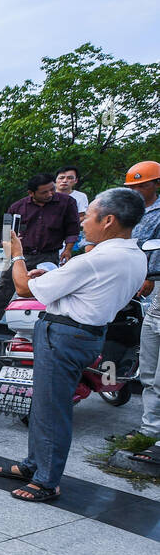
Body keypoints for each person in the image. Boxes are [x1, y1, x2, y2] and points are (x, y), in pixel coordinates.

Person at [0, 189, 147, 502]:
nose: (82, 221)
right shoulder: (135, 255)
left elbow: (22, 288)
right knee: (47, 405)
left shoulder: (96, 259)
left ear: (109, 220)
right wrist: (53, 275)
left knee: (51, 409)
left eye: (88, 216)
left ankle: (46, 481)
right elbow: (94, 291)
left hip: (64, 335)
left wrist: (16, 254)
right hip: (87, 333)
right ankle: (35, 464)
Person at [0, 174, 81, 340]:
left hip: (48, 254)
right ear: (32, 193)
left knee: (47, 292)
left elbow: (73, 228)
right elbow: (6, 231)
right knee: (4, 287)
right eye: (44, 192)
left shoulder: (66, 203)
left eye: (52, 189)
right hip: (20, 254)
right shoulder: (18, 206)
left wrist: (68, 249)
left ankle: (43, 328)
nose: (50, 194)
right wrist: (8, 242)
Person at [120, 161, 160, 461]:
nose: (135, 191)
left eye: (141, 185)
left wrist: (148, 275)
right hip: (143, 295)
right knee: (148, 368)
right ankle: (149, 429)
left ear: (155, 184)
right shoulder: (127, 210)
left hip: (153, 284)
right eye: (131, 186)